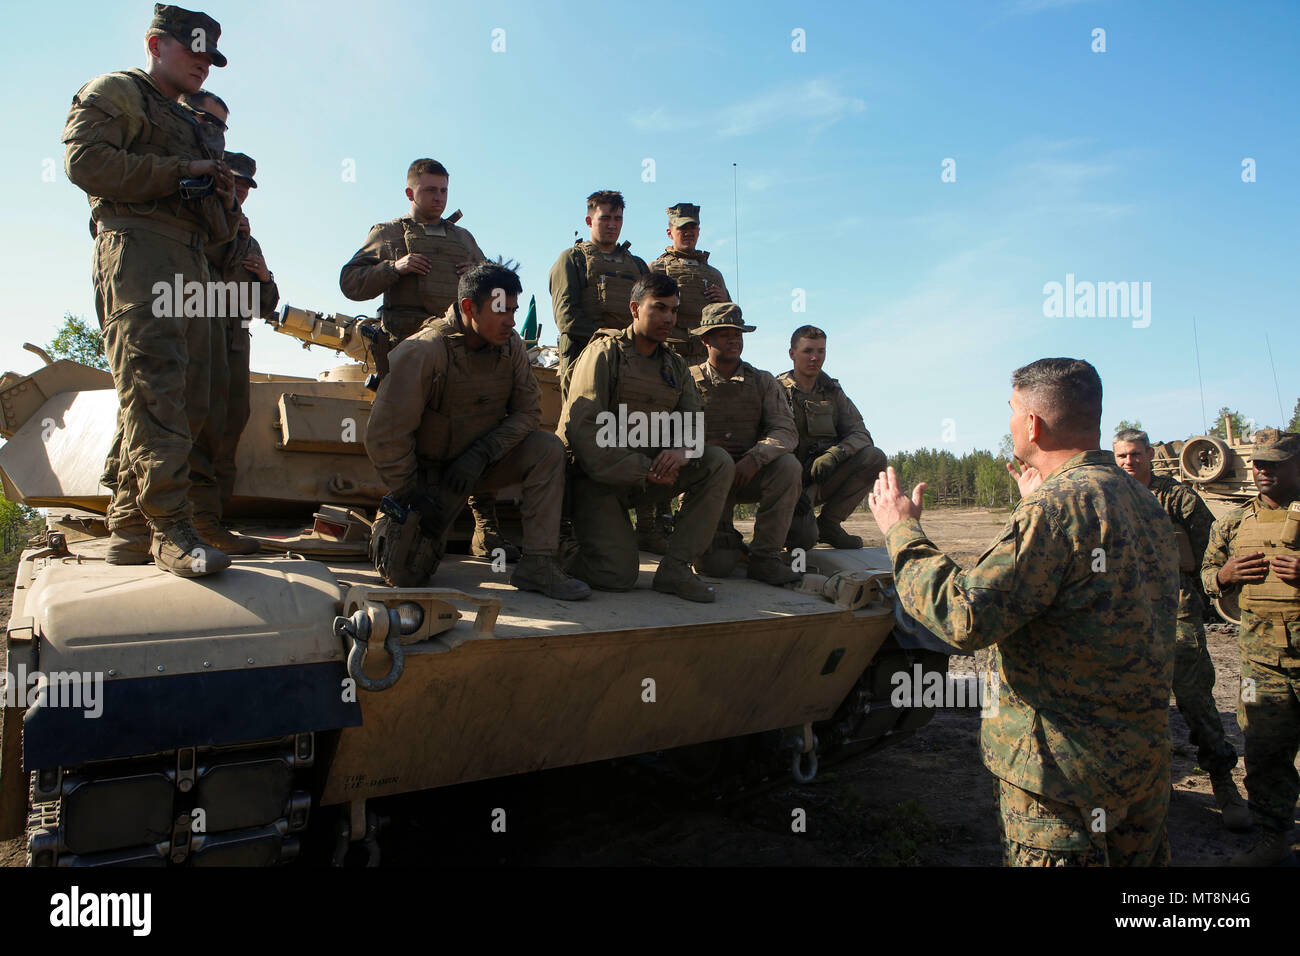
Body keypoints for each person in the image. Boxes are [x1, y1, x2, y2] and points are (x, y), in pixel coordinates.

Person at [868, 358, 1178, 866]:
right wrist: (1030, 513)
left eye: (1012, 411)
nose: (1009, 422)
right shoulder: (1142, 501)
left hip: (1060, 777)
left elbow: (965, 617)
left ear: (1032, 423)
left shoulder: (1053, 510)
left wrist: (902, 531)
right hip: (1139, 765)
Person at [64, 3, 239, 577]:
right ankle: (170, 529)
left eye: (210, 57)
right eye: (192, 51)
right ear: (155, 44)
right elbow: (85, 162)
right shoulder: (119, 91)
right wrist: (179, 171)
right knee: (155, 386)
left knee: (186, 395)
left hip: (190, 261)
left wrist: (218, 194)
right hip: (138, 251)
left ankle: (131, 524)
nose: (202, 66)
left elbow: (215, 223)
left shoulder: (188, 120)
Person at [363, 262, 590, 601]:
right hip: (427, 479)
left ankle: (538, 564)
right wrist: (413, 495)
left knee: (547, 448)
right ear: (469, 307)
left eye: (513, 310)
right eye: (502, 311)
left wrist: (482, 453)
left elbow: (528, 412)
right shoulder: (423, 351)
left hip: (481, 465)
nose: (511, 321)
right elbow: (384, 437)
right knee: (405, 574)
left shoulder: (511, 346)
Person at [339, 158, 513, 561]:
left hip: (463, 353)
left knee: (478, 431)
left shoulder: (464, 237)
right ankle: (406, 522)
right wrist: (393, 268)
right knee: (411, 439)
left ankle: (483, 525)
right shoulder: (387, 234)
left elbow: (497, 291)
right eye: (431, 190)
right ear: (410, 192)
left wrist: (479, 275)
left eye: (444, 190)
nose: (439, 198)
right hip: (409, 353)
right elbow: (350, 283)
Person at [558, 272, 733, 603]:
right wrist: (645, 469)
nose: (669, 318)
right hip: (595, 482)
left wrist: (683, 450)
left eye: (674, 310)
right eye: (660, 308)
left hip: (645, 477)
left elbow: (693, 422)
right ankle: (560, 549)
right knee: (617, 576)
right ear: (635, 309)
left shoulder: (675, 365)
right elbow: (585, 430)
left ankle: (676, 569)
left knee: (717, 462)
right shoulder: (605, 353)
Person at [1113, 427, 1248, 831]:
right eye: (1121, 456)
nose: (1128, 462)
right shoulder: (1109, 496)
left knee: (1193, 696)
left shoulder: (1177, 498)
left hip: (1176, 608)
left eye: (1135, 455)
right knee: (1134, 701)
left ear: (1150, 455)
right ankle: (1150, 785)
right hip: (1124, 612)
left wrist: (1212, 593)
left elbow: (1211, 550)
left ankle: (1224, 783)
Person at [1201, 430, 1300, 866]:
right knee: (1263, 754)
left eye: (1274, 463)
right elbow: (1204, 576)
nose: (1262, 470)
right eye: (1258, 463)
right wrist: (1224, 576)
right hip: (1261, 664)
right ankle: (1273, 841)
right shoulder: (1232, 522)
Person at [547, 191, 660, 550]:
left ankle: (646, 522)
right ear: (589, 221)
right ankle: (565, 529)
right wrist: (609, 341)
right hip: (585, 362)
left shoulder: (638, 266)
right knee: (578, 441)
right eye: (605, 218)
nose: (611, 225)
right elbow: (567, 318)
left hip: (632, 367)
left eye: (617, 219)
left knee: (638, 435)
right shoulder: (572, 260)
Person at [689, 303, 801, 586]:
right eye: (724, 333)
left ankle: (765, 558)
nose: (733, 340)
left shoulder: (762, 381)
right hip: (704, 479)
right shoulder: (686, 380)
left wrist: (755, 458)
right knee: (715, 566)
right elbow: (668, 431)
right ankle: (727, 542)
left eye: (737, 334)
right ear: (705, 339)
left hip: (747, 474)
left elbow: (785, 430)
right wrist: (703, 447)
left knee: (788, 466)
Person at [201, 151, 278, 551]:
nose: (242, 191)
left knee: (230, 423)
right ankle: (179, 519)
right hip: (198, 332)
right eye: (236, 182)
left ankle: (211, 519)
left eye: (247, 185)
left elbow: (266, 305)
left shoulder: (248, 238)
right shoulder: (197, 221)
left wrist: (264, 278)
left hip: (235, 338)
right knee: (197, 424)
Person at [777, 326, 888, 550]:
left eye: (821, 351)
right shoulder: (775, 390)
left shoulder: (832, 391)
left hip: (826, 476)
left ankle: (829, 524)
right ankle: (787, 526)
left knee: (874, 457)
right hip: (790, 482)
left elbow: (860, 433)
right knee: (801, 541)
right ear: (792, 354)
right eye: (808, 351)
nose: (815, 358)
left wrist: (836, 454)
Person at [651, 203, 730, 365]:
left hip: (706, 360)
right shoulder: (656, 270)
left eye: (693, 227)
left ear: (699, 232)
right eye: (682, 228)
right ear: (670, 232)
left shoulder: (714, 274)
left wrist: (725, 302)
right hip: (668, 357)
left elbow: (731, 321)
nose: (688, 233)